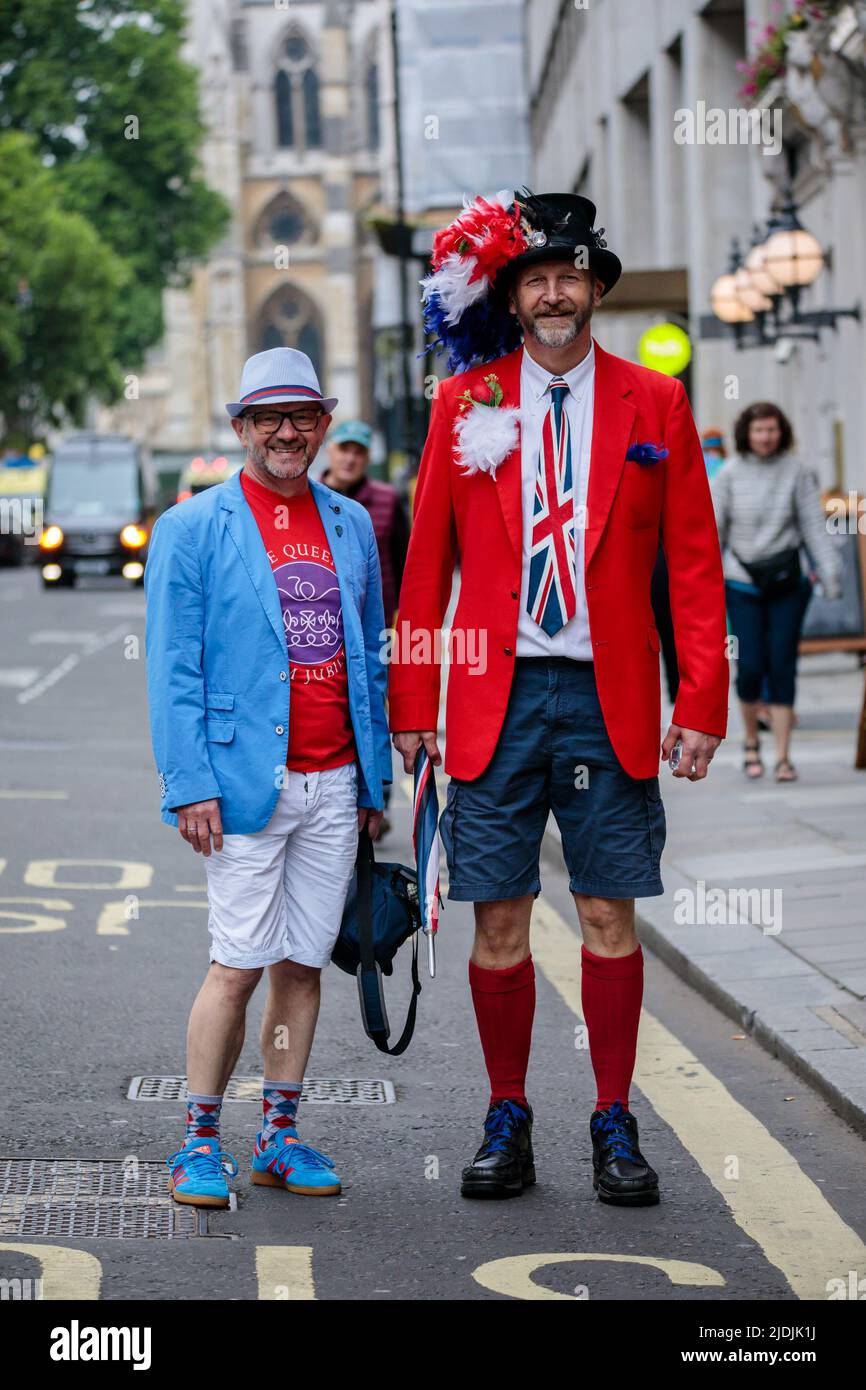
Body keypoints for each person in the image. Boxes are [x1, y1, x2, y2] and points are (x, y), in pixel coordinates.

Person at [389, 190, 728, 1206]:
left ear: (593, 291)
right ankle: (506, 1113)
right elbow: (425, 567)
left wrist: (702, 699)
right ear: (513, 293)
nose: (552, 294)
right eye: (534, 279)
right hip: (491, 696)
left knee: (604, 909)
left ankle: (613, 1117)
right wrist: (414, 697)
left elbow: (692, 562)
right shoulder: (464, 402)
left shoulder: (652, 403)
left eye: (569, 277)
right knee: (497, 917)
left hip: (607, 694)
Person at [144, 347, 391, 1209]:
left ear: (324, 424)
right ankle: (198, 1142)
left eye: (303, 417)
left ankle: (278, 1136)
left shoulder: (351, 524)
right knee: (237, 964)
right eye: (267, 419)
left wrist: (374, 782)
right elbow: (172, 666)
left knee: (301, 963)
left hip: (333, 782)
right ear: (243, 429)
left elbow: (371, 658)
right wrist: (188, 782)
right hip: (245, 782)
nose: (287, 433)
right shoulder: (193, 527)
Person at [711, 401, 841, 783]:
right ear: (746, 434)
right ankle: (751, 741)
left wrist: (830, 573)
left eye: (772, 429)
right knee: (750, 666)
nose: (766, 437)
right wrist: (702, 585)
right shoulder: (729, 475)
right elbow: (714, 532)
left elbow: (813, 526)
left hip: (788, 583)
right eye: (759, 430)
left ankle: (783, 756)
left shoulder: (797, 472)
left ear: (781, 431)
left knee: (783, 665)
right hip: (742, 582)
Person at [320, 420, 410, 836]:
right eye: (343, 449)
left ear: (367, 457)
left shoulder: (389, 501)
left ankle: (377, 797)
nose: (350, 458)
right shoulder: (306, 498)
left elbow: (406, 565)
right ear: (330, 451)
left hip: (379, 629)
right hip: (322, 631)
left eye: (358, 451)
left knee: (375, 709)